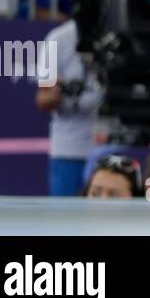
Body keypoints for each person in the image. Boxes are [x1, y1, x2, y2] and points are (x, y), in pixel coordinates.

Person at [36, 16, 104, 196]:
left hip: (113, 145)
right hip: (70, 149)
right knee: (65, 220)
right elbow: (43, 98)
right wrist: (64, 91)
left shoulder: (124, 32)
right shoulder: (58, 38)